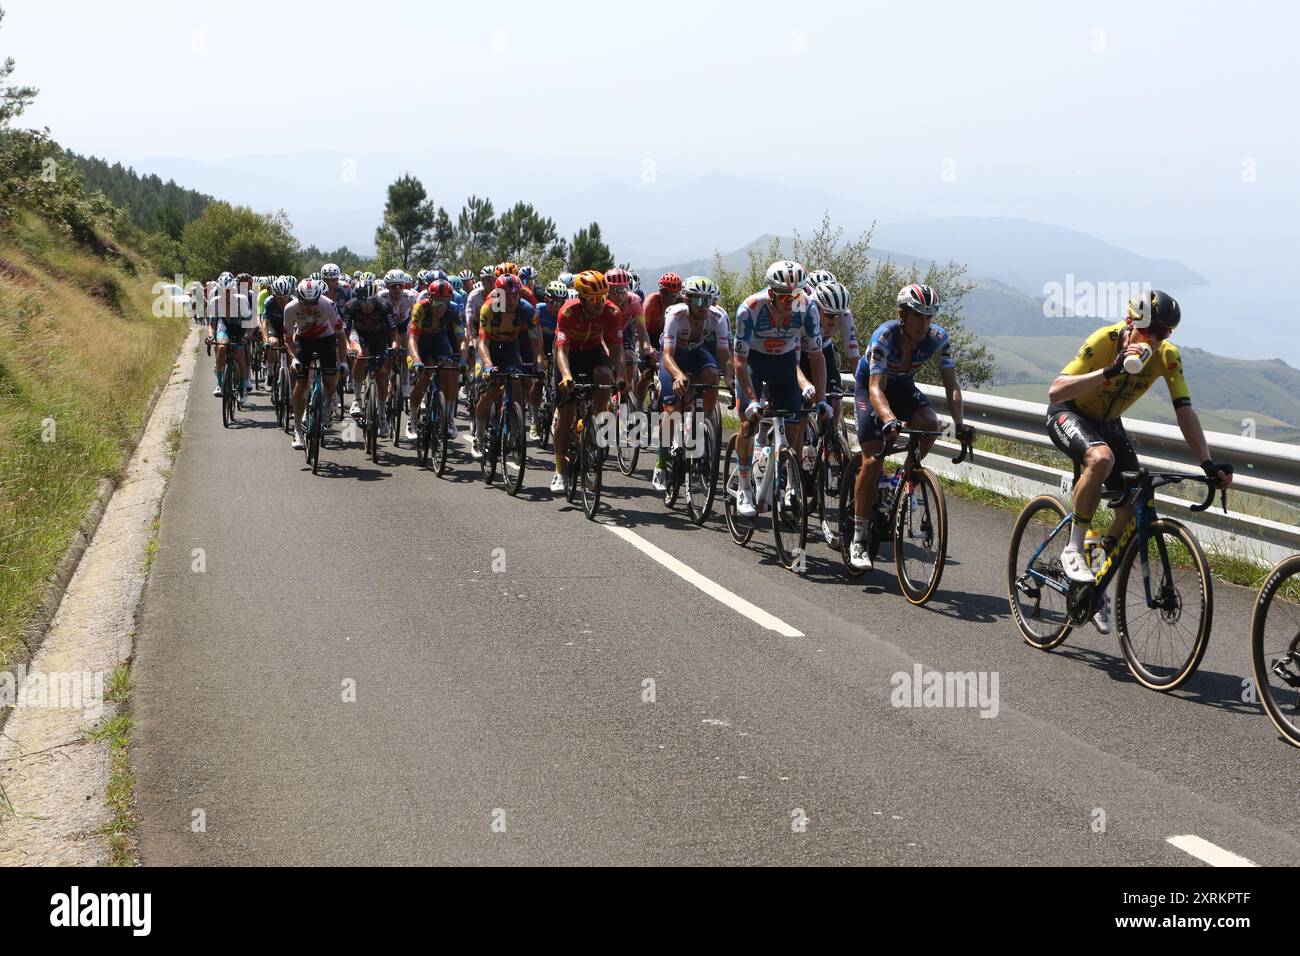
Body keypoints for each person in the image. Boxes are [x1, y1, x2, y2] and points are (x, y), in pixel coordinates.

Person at [1045, 289, 1232, 631]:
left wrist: (1207, 462)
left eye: (1165, 332)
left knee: (1134, 505)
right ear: (1131, 323)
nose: (1158, 339)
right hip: (1069, 413)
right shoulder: (1106, 340)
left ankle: (1092, 582)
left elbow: (1184, 411)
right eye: (1152, 331)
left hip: (1108, 423)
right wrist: (1112, 369)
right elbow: (1056, 390)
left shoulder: (1167, 356)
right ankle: (1073, 548)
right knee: (1100, 459)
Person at [849, 283, 971, 571]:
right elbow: (876, 389)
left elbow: (951, 385)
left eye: (929, 317)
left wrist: (960, 423)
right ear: (902, 315)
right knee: (872, 460)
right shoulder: (885, 336)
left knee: (930, 423)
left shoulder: (938, 338)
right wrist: (890, 420)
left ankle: (903, 478)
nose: (924, 324)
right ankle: (858, 537)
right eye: (918, 316)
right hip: (871, 390)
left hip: (902, 387)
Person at [551, 270, 625, 493]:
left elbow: (616, 349)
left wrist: (620, 376)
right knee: (566, 415)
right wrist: (566, 376)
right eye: (594, 299)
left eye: (603, 297)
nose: (600, 303)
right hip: (569, 357)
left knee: (605, 375)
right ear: (582, 299)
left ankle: (593, 422)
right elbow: (561, 351)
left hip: (593, 352)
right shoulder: (568, 311)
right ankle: (560, 470)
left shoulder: (612, 311)